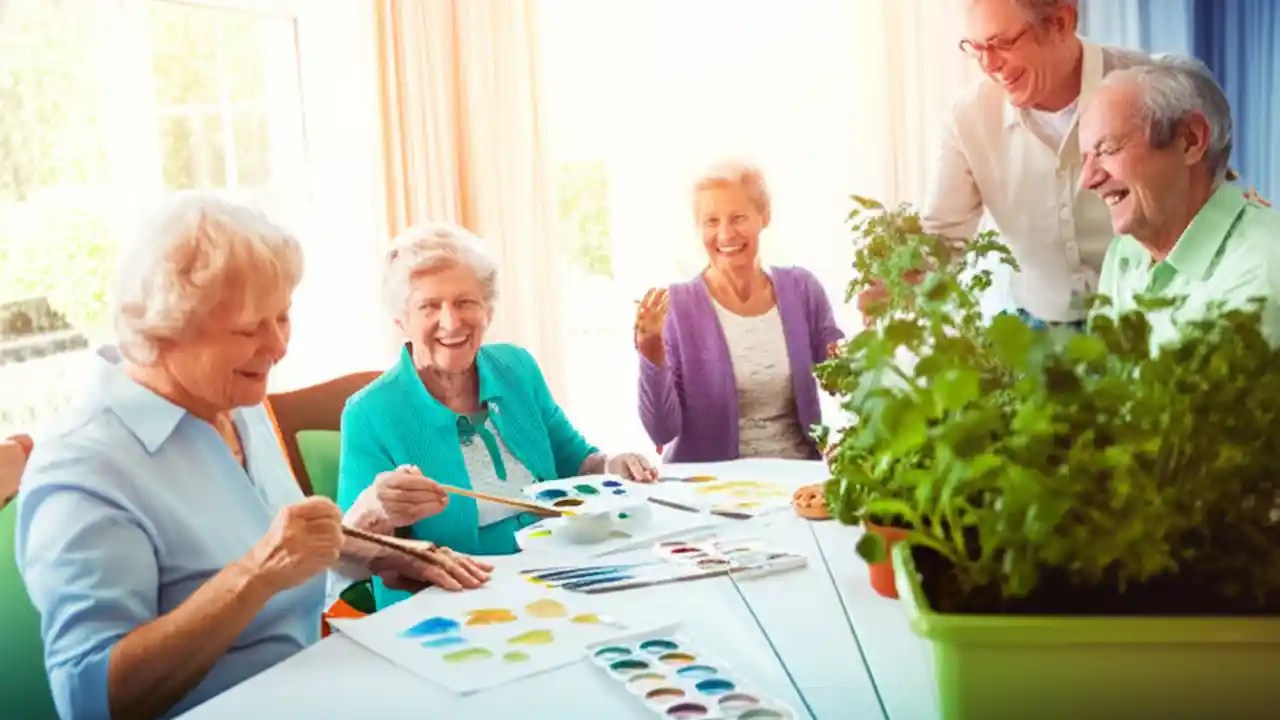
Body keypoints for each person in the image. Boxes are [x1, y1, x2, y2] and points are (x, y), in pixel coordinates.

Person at [15, 195, 491, 719]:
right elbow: (91, 701)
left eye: (282, 317)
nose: (278, 345)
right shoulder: (85, 465)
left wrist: (378, 552)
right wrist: (254, 575)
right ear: (167, 329)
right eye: (248, 329)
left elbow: (284, 550)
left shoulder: (236, 404)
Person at [338, 222, 657, 607]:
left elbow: (576, 461)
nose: (451, 322)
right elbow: (352, 556)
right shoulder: (369, 412)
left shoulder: (516, 367)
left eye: (464, 302)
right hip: (455, 604)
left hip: (560, 580)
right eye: (429, 306)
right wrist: (379, 513)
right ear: (401, 319)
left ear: (487, 310)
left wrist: (613, 466)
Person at [860, 0, 1148, 329]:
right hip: (1041, 328)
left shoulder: (1146, 86)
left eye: (1001, 44)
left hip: (1145, 324)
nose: (989, 64)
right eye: (977, 48)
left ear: (1060, 22)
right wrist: (900, 279)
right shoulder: (968, 117)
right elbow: (945, 236)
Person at [634, 159, 844, 462]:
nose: (725, 234)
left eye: (738, 218)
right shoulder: (676, 307)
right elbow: (662, 431)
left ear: (764, 216)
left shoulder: (802, 290)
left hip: (796, 476)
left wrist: (876, 323)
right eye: (711, 221)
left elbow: (844, 380)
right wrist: (652, 353)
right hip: (708, 482)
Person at [1080, 56, 1280, 345]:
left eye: (1107, 150)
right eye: (1085, 158)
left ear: (1190, 140)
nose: (1087, 180)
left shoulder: (1258, 273)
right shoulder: (1126, 250)